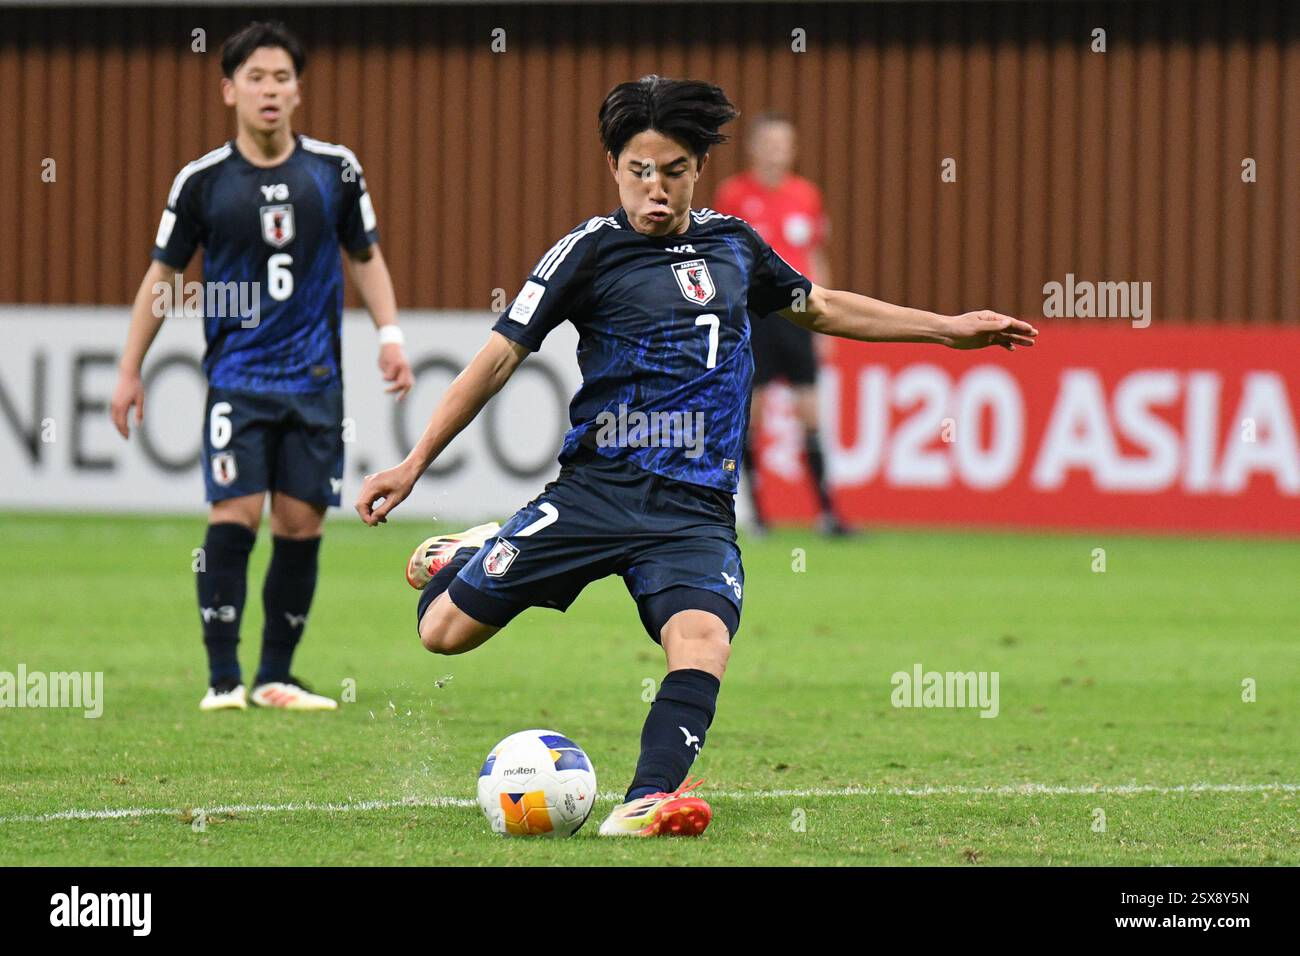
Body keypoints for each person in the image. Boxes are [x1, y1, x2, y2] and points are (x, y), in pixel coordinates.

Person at [355, 76, 1037, 836]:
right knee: (442, 633)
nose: (656, 188)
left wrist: (947, 329)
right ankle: (473, 551)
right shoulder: (584, 254)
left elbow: (821, 305)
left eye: (673, 170)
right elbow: (495, 361)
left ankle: (647, 797)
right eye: (639, 171)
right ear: (614, 166)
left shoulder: (735, 244)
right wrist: (414, 462)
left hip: (694, 510)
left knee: (704, 638)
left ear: (696, 170)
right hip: (598, 489)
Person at [110, 21, 413, 712]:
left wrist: (389, 335)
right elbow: (162, 278)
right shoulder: (202, 182)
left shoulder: (335, 170)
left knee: (301, 525)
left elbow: (365, 258)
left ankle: (276, 674)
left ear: (299, 91)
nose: (269, 90)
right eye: (256, 78)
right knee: (236, 514)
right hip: (238, 381)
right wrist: (130, 368)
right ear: (229, 90)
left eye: (281, 78)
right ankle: (223, 679)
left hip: (315, 384)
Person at [713, 112, 843, 534]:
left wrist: (827, 321)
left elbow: (817, 258)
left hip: (799, 315)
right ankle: (757, 515)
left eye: (783, 144)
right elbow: (720, 260)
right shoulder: (733, 195)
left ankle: (827, 514)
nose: (776, 151)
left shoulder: (806, 195)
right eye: (769, 143)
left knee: (810, 412)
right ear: (754, 148)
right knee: (755, 415)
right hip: (755, 316)